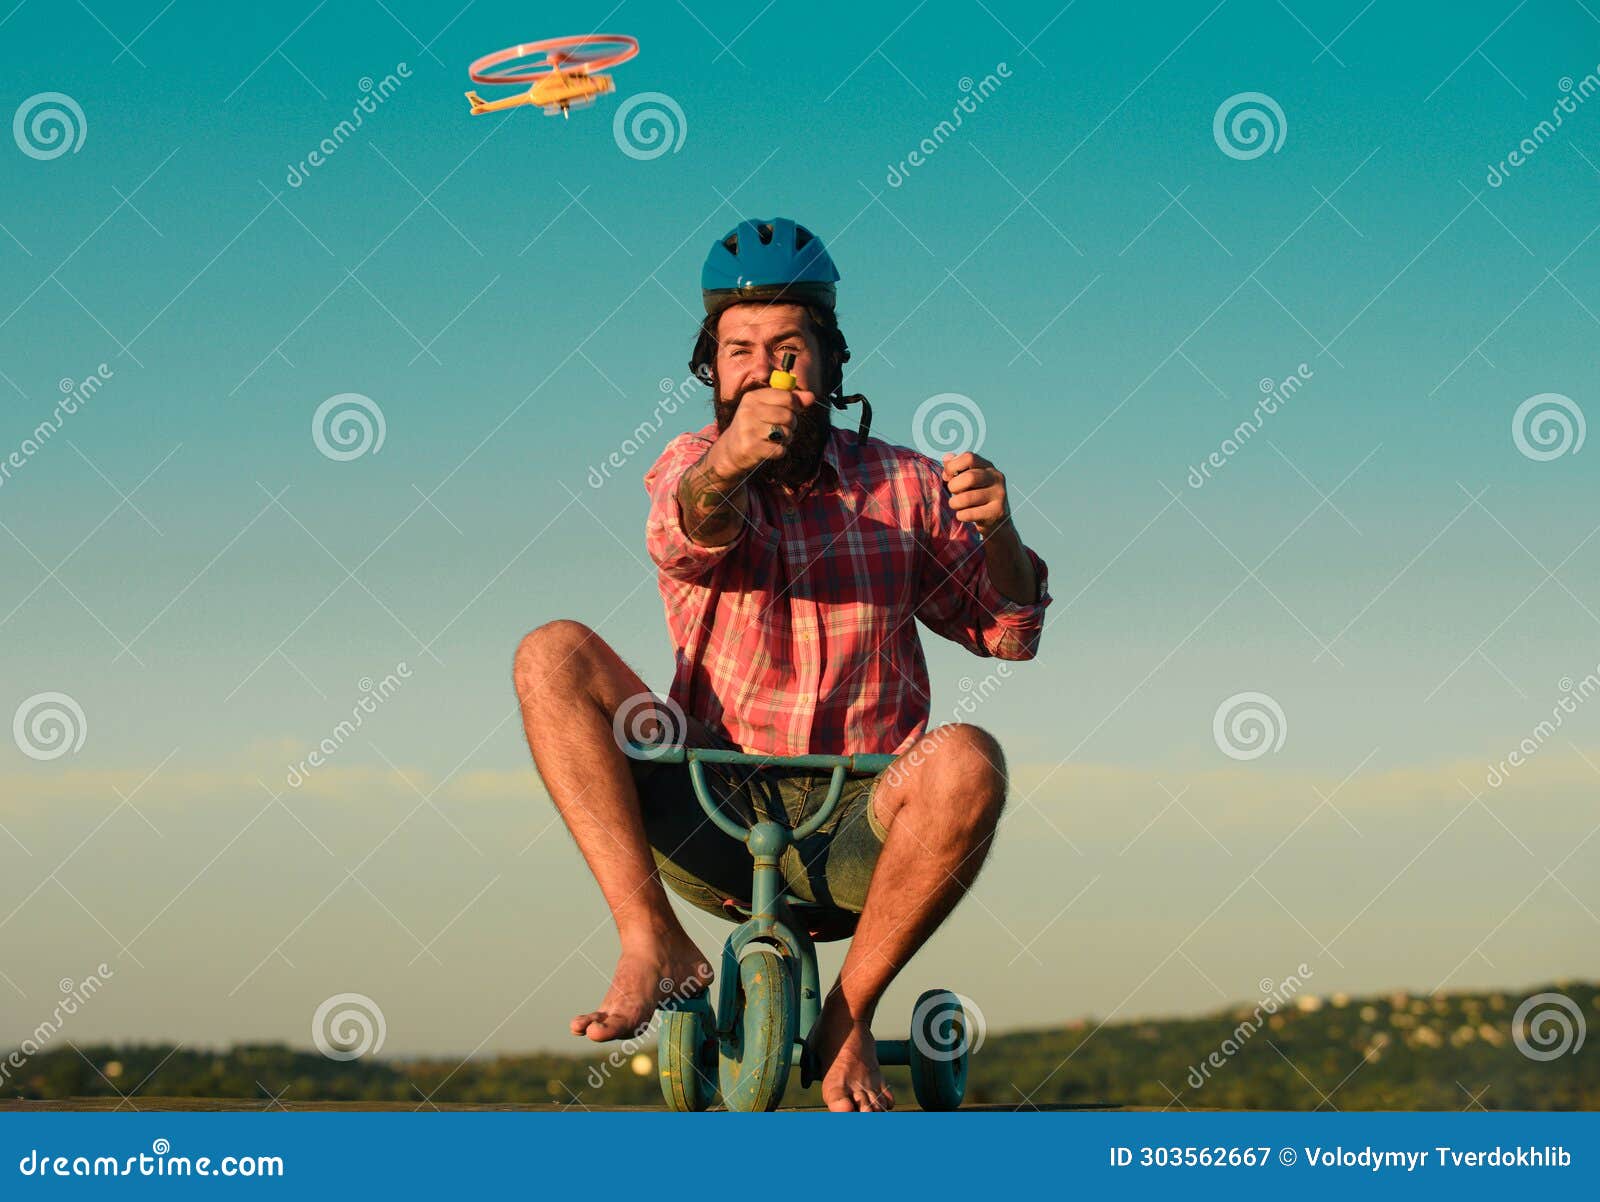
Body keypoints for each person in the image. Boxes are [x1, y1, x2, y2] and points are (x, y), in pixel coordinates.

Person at [514, 218, 1051, 1110]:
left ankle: (848, 1017)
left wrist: (1001, 531)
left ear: (831, 365)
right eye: (739, 352)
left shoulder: (909, 484)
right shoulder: (691, 461)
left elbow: (1010, 633)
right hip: (709, 801)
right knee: (551, 651)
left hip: (858, 828)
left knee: (970, 756)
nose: (766, 373)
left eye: (789, 350)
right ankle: (648, 934)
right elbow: (687, 534)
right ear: (711, 371)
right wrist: (727, 465)